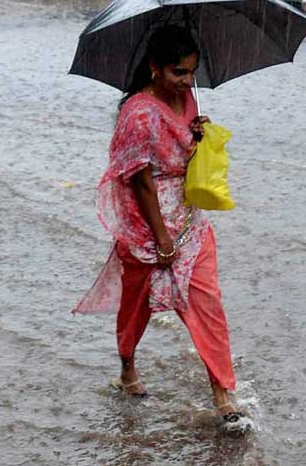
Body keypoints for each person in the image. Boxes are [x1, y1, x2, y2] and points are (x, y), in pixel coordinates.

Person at [74, 25, 244, 425]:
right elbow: (140, 180)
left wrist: (198, 134)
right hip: (146, 226)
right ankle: (127, 368)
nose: (187, 81)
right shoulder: (137, 114)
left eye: (192, 72)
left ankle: (223, 395)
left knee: (208, 305)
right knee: (136, 307)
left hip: (190, 219)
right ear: (155, 68)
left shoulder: (186, 101)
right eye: (178, 73)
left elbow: (183, 153)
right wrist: (162, 239)